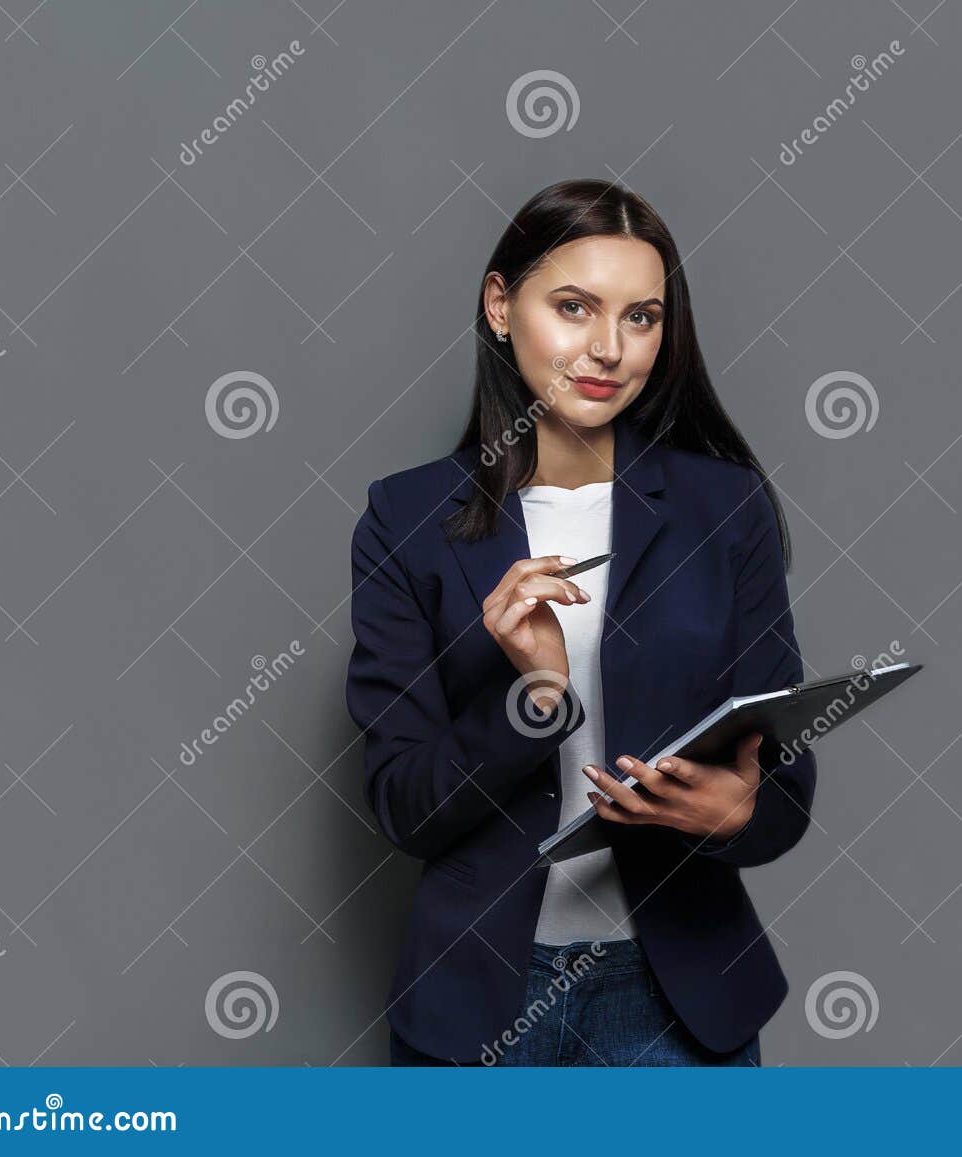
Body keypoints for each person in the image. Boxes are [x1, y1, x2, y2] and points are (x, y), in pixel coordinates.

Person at [345, 178, 815, 1066]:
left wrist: (736, 814)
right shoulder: (408, 521)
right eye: (573, 307)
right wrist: (535, 694)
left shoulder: (723, 507)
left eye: (641, 317)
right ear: (500, 305)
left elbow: (783, 787)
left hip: (679, 1002)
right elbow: (406, 808)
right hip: (480, 1000)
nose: (608, 348)